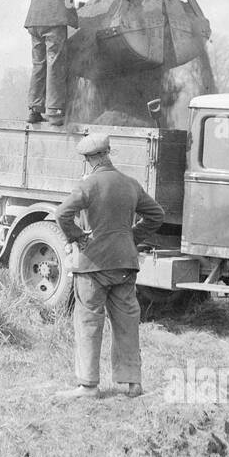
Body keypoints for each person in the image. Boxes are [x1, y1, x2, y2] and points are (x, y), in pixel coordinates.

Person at [53, 132, 165, 400]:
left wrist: (78, 237)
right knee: (127, 321)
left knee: (89, 321)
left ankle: (88, 386)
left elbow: (61, 214)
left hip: (93, 265)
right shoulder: (130, 184)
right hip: (125, 265)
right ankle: (132, 383)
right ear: (108, 154)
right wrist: (131, 237)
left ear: (90, 159)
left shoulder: (87, 186)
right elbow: (156, 215)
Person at [25, 0, 127, 126]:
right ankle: (54, 111)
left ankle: (34, 109)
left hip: (34, 21)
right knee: (55, 63)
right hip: (53, 21)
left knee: (39, 65)